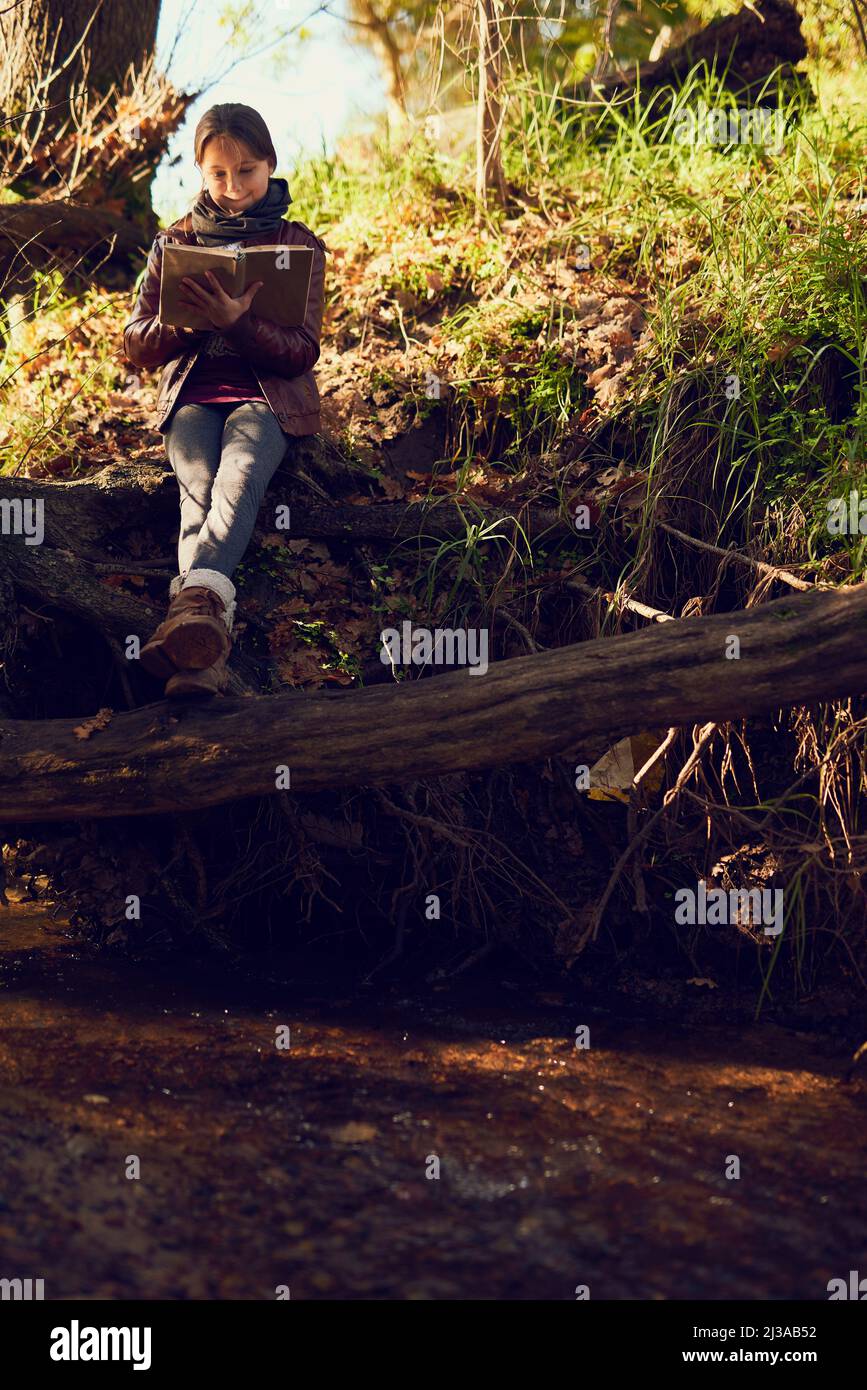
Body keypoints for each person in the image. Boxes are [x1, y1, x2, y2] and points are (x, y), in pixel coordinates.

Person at [123, 102, 327, 698]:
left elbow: (301, 352)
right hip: (193, 397)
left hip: (266, 399)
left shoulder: (297, 244)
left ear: (270, 166)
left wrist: (238, 326)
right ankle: (203, 650)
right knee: (196, 491)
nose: (233, 188)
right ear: (200, 171)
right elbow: (134, 342)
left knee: (237, 478)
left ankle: (190, 618)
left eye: (246, 172)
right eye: (217, 174)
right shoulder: (176, 242)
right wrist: (191, 324)